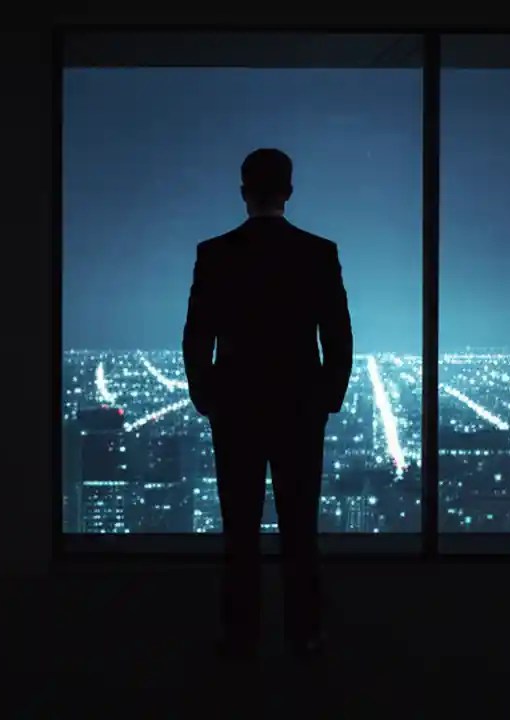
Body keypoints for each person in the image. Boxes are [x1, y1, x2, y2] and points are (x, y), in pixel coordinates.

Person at [182, 148, 353, 660]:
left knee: (240, 527)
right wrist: (327, 398)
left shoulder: (215, 254)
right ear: (289, 191)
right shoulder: (318, 253)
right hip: (299, 406)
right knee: (300, 526)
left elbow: (197, 335)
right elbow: (337, 335)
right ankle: (305, 633)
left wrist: (206, 396)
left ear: (243, 192)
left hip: (236, 406)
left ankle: (241, 635)